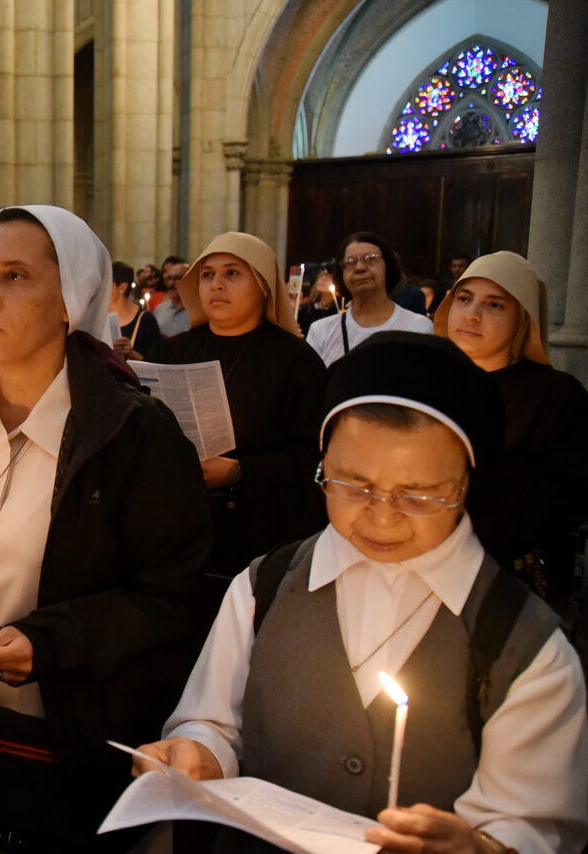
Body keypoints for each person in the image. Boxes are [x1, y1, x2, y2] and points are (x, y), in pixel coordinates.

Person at [134, 332, 588, 854]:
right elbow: (216, 721)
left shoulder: (524, 643)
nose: (382, 514)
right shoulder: (265, 586)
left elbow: (538, 827)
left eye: (418, 493)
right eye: (351, 483)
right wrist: (199, 752)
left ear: (466, 482)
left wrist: (480, 847)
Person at [0, 205, 212, 849]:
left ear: (70, 300)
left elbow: (171, 598)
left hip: (60, 738)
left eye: (15, 277)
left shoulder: (133, 432)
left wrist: (50, 642)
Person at [156, 232, 327, 589]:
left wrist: (238, 472)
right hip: (176, 529)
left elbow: (311, 459)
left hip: (257, 532)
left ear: (263, 286)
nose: (216, 285)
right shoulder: (173, 352)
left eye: (232, 273)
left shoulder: (297, 361)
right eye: (207, 275)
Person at [435, 251, 588, 616]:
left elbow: (567, 499)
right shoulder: (427, 378)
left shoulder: (557, 395)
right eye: (464, 298)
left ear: (523, 319)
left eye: (495, 305)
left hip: (508, 582)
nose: (472, 314)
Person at [306, 231, 433, 366]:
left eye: (370, 259)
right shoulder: (321, 331)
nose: (360, 268)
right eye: (350, 262)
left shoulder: (417, 327)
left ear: (388, 266)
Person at [108, 261, 163, 362]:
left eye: (106, 284)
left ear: (122, 288)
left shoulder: (145, 320)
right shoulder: (99, 318)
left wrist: (131, 353)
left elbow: (156, 364)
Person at [152, 259, 192, 337]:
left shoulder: (199, 312)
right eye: (168, 278)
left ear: (189, 279)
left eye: (177, 278)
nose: (171, 283)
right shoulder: (159, 309)